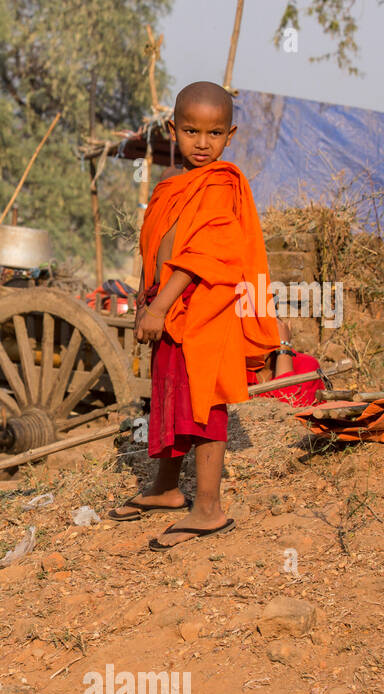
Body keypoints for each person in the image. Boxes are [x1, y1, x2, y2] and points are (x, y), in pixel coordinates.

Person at [109, 81, 279, 549]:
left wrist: (162, 304)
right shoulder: (169, 187)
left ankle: (207, 508)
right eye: (191, 131)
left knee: (204, 401)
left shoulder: (222, 186)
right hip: (169, 309)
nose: (202, 144)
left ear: (230, 134)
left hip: (206, 311)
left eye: (214, 133)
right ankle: (166, 489)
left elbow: (207, 254)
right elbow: (157, 249)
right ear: (173, 129)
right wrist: (151, 299)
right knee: (169, 395)